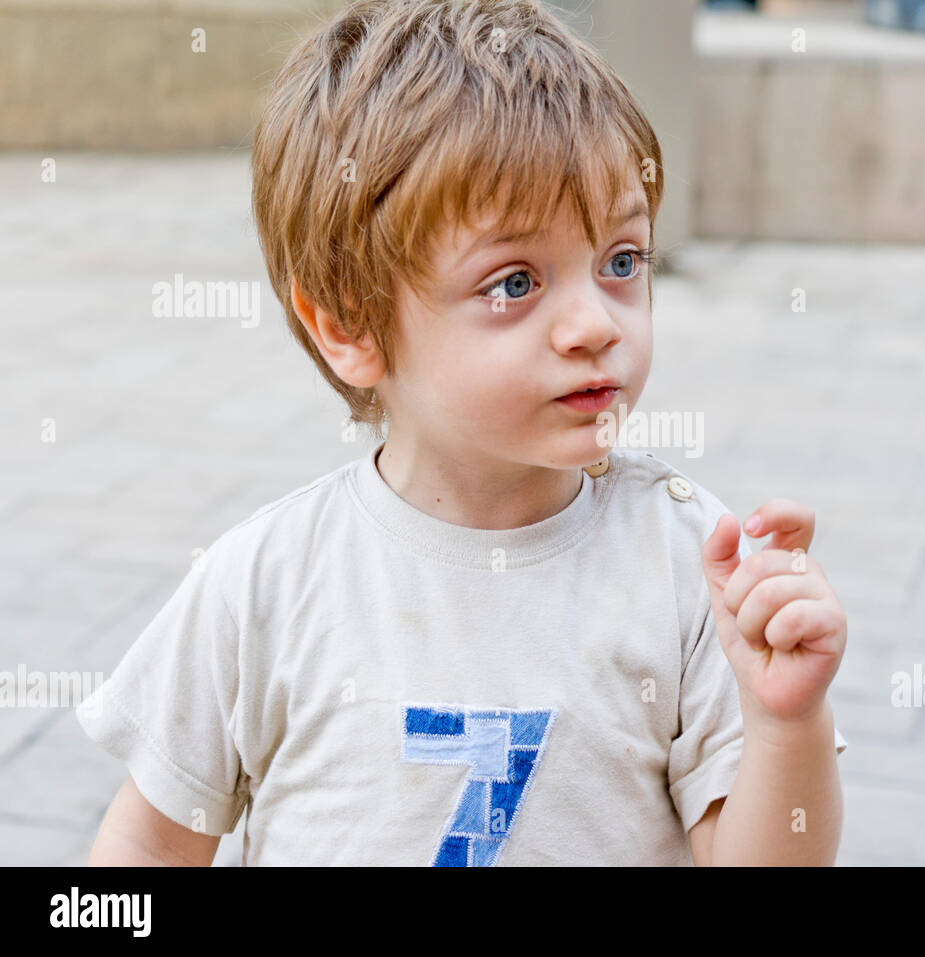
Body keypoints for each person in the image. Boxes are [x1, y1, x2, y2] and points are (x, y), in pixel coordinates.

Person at [77, 0, 848, 866]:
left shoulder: (690, 568)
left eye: (621, 261)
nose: (594, 322)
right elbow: (146, 846)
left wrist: (788, 721)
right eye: (515, 282)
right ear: (351, 326)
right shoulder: (263, 584)